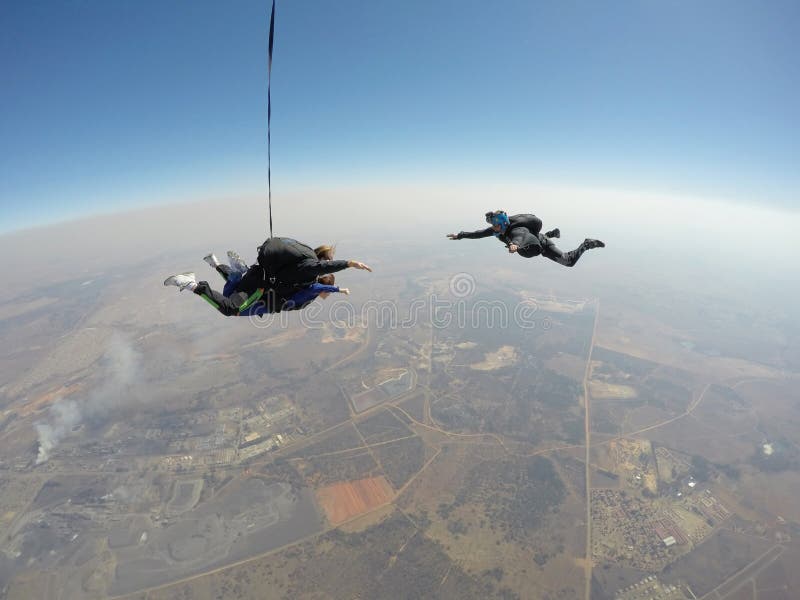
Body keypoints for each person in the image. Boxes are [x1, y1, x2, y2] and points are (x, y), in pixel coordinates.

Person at [164, 244, 368, 316]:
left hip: (259, 283)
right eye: (326, 291)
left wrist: (340, 289)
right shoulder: (311, 286)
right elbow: (321, 279)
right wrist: (343, 281)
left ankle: (225, 268)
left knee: (229, 292)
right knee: (230, 309)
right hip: (261, 298)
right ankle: (193, 284)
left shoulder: (303, 276)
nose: (326, 295)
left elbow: (320, 276)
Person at [446, 210, 605, 266]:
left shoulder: (517, 230)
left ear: (502, 223)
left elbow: (520, 237)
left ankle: (586, 244)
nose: (493, 228)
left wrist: (514, 245)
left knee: (568, 262)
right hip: (532, 240)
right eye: (492, 225)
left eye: (495, 225)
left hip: (540, 245)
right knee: (531, 244)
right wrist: (460, 235)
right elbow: (479, 233)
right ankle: (552, 233)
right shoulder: (499, 230)